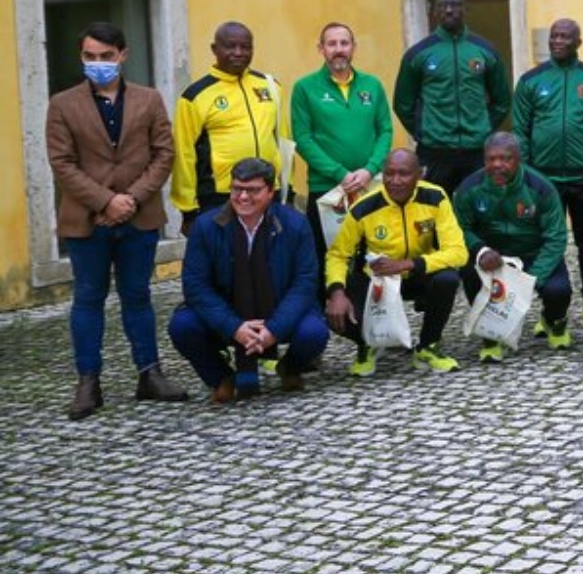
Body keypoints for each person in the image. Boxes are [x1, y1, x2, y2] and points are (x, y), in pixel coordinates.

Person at [47, 21, 186, 417]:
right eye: (90, 57)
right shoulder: (63, 104)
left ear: (122, 55)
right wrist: (106, 201)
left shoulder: (148, 99)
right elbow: (62, 163)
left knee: (138, 296)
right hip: (86, 219)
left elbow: (164, 153)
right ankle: (88, 382)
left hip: (139, 217)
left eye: (106, 57)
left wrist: (132, 198)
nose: (98, 64)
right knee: (88, 298)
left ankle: (150, 373)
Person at [168, 158, 327, 403]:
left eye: (252, 190)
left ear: (270, 192)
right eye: (237, 189)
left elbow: (305, 283)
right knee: (182, 326)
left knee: (314, 332)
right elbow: (196, 287)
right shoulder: (205, 226)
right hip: (227, 314)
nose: (242, 197)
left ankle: (290, 368)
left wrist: (274, 329)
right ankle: (221, 378)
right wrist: (234, 327)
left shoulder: (295, 225)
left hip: (277, 311)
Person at [323, 148, 469, 375]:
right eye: (389, 174)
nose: (396, 181)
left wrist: (409, 264)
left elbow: (458, 252)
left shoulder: (436, 197)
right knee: (331, 306)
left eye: (404, 174)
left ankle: (427, 346)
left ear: (419, 175)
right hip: (376, 281)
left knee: (448, 279)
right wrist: (336, 292)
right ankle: (367, 343)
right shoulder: (364, 207)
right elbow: (338, 255)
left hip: (417, 274)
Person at [512, 17, 583, 329]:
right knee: (548, 243)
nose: (557, 41)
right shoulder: (531, 81)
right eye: (554, 37)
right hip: (543, 180)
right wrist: (526, 178)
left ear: (578, 42)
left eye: (565, 37)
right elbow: (521, 132)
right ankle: (551, 312)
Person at [452, 132, 574, 360]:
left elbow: (556, 237)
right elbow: (459, 229)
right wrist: (481, 249)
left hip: (532, 254)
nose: (497, 165)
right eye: (491, 159)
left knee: (559, 290)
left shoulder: (541, 188)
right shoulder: (469, 189)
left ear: (519, 160)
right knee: (469, 272)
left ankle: (553, 320)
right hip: (493, 257)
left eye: (505, 159)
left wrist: (531, 279)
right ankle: (490, 334)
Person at [395, 0, 511, 195]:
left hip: (476, 151)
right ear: (434, 9)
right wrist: (424, 131)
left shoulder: (485, 51)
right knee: (432, 213)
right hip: (434, 152)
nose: (449, 10)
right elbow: (402, 103)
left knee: (478, 212)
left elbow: (502, 101)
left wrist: (483, 129)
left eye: (455, 5)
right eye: (442, 5)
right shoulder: (418, 54)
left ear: (465, 8)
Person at [291, 21, 392, 256]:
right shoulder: (305, 88)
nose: (339, 49)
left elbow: (385, 130)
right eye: (332, 43)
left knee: (370, 253)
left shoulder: (372, 85)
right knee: (328, 255)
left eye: (344, 43)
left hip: (370, 185)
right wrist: (341, 174)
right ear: (321, 49)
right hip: (327, 189)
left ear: (353, 47)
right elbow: (303, 139)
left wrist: (369, 170)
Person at [171, 21, 282, 229]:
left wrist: (287, 190)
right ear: (215, 49)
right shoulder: (195, 95)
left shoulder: (270, 86)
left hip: (268, 192)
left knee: (268, 259)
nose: (238, 53)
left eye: (245, 47)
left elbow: (282, 141)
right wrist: (187, 210)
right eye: (230, 46)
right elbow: (183, 154)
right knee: (226, 259)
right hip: (220, 197)